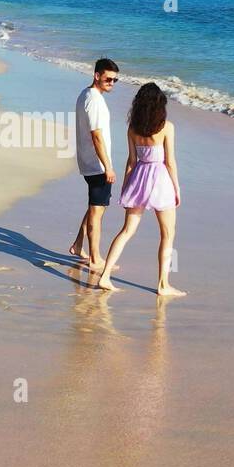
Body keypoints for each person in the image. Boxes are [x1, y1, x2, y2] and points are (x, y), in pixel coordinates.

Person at [96, 82, 186, 296]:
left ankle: (105, 275)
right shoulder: (167, 127)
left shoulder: (132, 128)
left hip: (139, 178)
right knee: (168, 234)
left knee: (126, 231)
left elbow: (131, 161)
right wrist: (177, 188)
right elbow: (170, 162)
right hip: (160, 181)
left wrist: (127, 186)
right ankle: (163, 284)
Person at [69, 58, 119, 269]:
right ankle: (95, 257)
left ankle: (78, 245)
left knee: (95, 208)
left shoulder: (86, 95)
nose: (112, 83)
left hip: (90, 161)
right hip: (97, 164)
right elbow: (96, 135)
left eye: (115, 80)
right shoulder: (94, 100)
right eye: (108, 79)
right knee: (97, 211)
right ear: (97, 75)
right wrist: (107, 166)